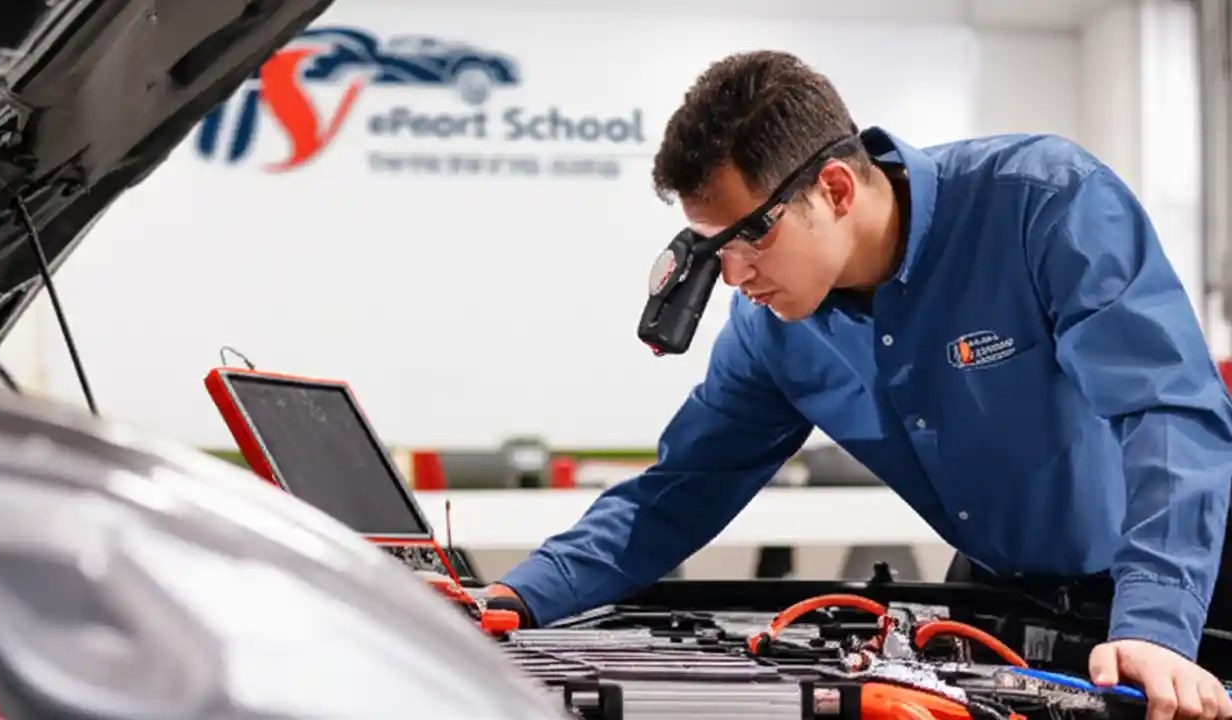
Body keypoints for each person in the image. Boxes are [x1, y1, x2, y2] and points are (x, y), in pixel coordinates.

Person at [485, 51, 1232, 719]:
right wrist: (514, 598)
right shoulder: (771, 331)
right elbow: (680, 491)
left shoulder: (1043, 203)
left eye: (750, 236)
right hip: (1008, 599)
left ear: (836, 188)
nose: (736, 277)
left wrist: (1155, 625)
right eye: (713, 252)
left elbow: (1168, 409)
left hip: (1185, 585)